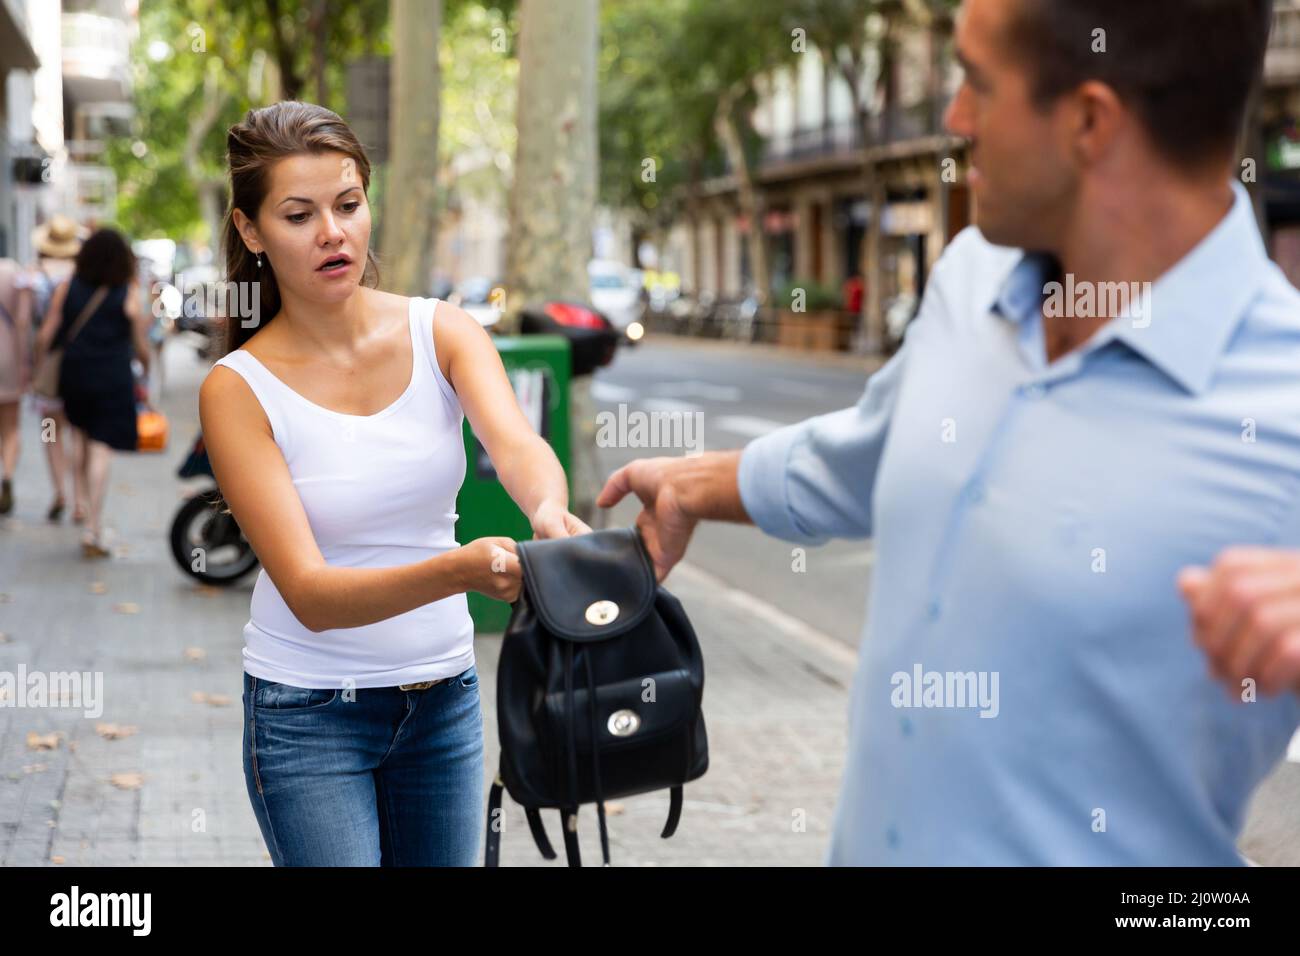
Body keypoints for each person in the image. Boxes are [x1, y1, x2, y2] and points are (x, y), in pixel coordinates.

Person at [598, 0, 1300, 865]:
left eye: (975, 81)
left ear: (1089, 121)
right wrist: (696, 483)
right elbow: (881, 448)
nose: (953, 120)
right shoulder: (970, 277)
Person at [201, 101, 590, 867]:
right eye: (298, 214)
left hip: (443, 701)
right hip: (307, 718)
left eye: (348, 205)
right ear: (251, 231)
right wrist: (463, 571)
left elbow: (516, 445)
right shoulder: (237, 388)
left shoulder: (440, 330)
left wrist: (547, 509)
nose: (332, 233)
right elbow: (311, 594)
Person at [33, 228, 152, 557]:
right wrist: (147, 365)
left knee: (80, 441)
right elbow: (139, 338)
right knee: (100, 450)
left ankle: (81, 505)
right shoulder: (127, 288)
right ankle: (93, 527)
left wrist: (37, 369)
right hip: (112, 376)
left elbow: (46, 334)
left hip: (75, 374)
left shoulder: (68, 286)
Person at [25, 215, 85, 521]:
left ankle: (60, 490)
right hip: (79, 364)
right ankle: (79, 501)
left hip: (50, 364)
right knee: (77, 433)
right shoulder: (81, 276)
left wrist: (35, 364)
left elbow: (38, 330)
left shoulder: (35, 278)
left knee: (50, 432)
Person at [0, 259, 32, 514]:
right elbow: (22, 321)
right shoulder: (12, 271)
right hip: (7, 353)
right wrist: (26, 363)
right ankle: (7, 475)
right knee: (11, 427)